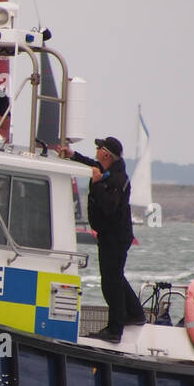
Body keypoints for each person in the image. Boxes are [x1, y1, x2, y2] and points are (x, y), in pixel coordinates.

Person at [59, 135, 145, 343]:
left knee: (110, 282)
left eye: (99, 148)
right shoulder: (106, 168)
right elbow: (92, 164)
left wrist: (96, 185)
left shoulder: (117, 179)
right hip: (110, 235)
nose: (96, 151)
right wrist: (73, 155)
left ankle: (115, 329)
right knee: (115, 276)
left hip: (116, 237)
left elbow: (109, 206)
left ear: (106, 154)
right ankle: (135, 313)